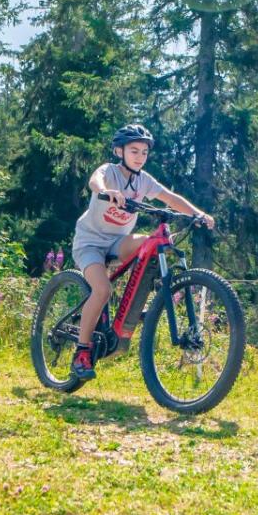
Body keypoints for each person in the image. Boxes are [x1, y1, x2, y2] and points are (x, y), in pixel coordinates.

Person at [69, 124, 214, 382]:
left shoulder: (143, 180)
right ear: (119, 151)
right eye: (134, 150)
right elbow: (95, 181)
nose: (139, 156)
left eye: (144, 152)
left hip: (118, 241)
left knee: (151, 243)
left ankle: (150, 293)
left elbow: (170, 198)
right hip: (90, 243)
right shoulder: (109, 172)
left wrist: (198, 214)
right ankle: (82, 351)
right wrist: (106, 192)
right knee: (102, 291)